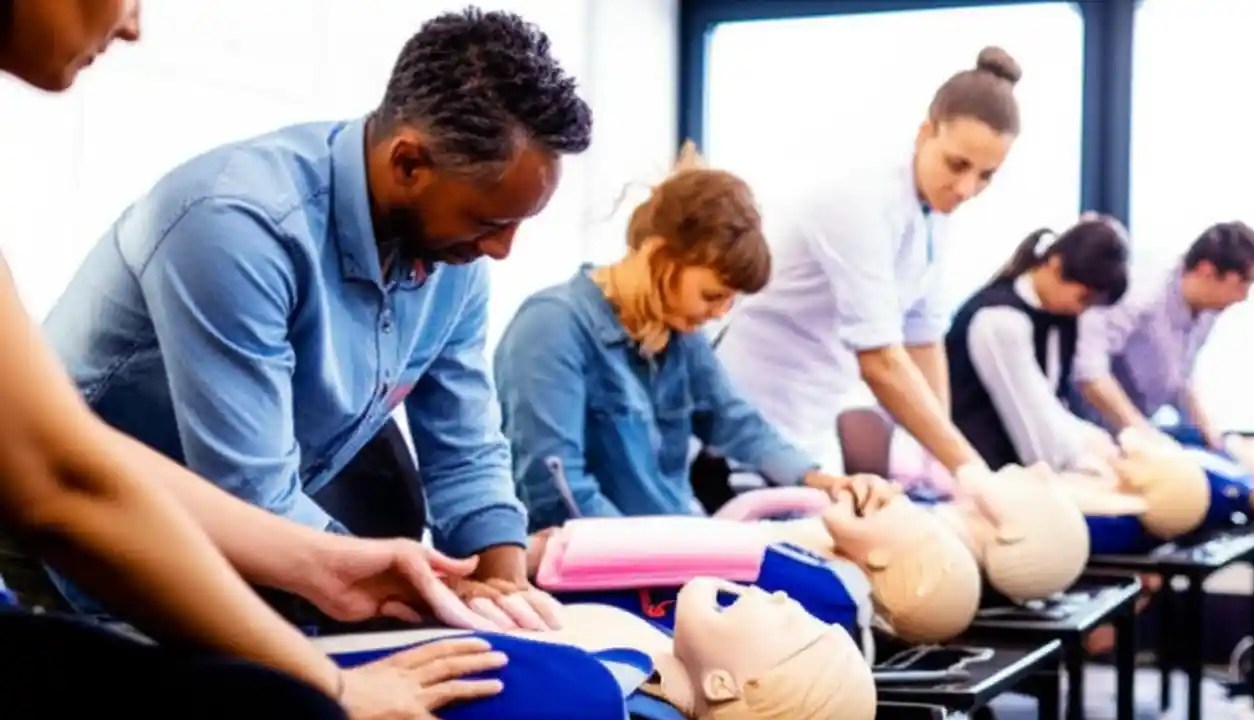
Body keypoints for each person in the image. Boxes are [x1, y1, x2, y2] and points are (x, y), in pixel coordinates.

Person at [0, 2, 509, 717]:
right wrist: (330, 687)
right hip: (81, 554)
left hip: (148, 522)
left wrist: (328, 566)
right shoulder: (235, 216)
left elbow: (71, 452)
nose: (133, 26)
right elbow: (61, 481)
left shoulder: (457, 268)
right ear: (409, 164)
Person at [492, 150, 896, 532]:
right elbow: (558, 493)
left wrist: (824, 482)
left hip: (671, 550)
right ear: (658, 256)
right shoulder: (551, 329)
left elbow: (738, 422)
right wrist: (657, 560)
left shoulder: (678, 336)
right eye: (712, 295)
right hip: (594, 568)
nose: (721, 313)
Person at [715, 47, 1023, 482]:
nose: (967, 188)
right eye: (957, 164)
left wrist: (946, 468)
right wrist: (972, 471)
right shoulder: (859, 202)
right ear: (924, 133)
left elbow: (923, 338)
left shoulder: (933, 215)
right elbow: (880, 359)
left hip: (812, 431)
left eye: (986, 175)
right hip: (746, 423)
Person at [945, 216, 1131, 473]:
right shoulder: (1000, 320)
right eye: (1083, 298)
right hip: (978, 470)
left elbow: (1053, 406)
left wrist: (1100, 444)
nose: (1081, 310)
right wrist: (1087, 458)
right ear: (1054, 266)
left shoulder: (1060, 317)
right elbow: (1035, 432)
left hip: (1024, 469)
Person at [1073, 221, 1254, 448]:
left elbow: (1178, 377)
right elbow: (1089, 372)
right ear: (1207, 272)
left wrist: (1214, 437)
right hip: (1085, 431)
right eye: (1243, 283)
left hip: (1131, 436)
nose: (1244, 297)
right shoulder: (1142, 294)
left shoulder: (1207, 310)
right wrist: (1143, 434)